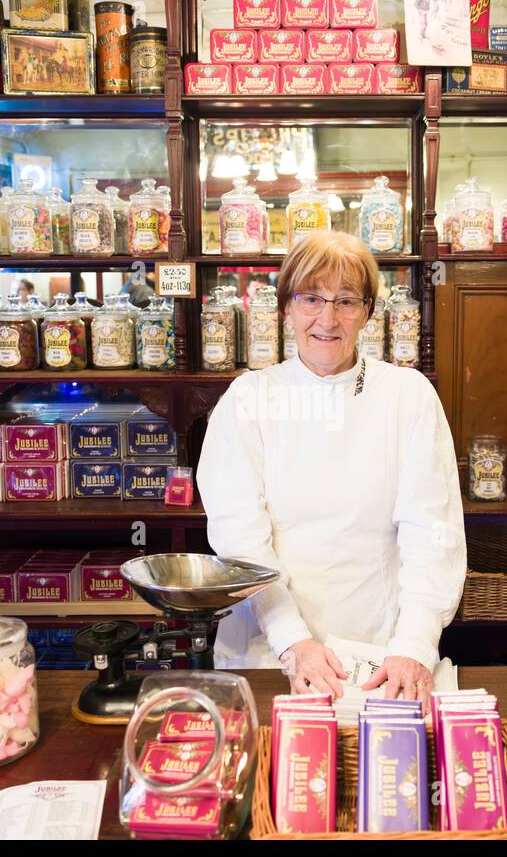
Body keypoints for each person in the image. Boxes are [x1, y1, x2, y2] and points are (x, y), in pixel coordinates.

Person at [196, 231, 466, 711]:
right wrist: (293, 642)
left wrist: (415, 645)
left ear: (367, 312)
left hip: (380, 655)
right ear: (285, 308)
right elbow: (240, 537)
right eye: (311, 298)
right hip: (266, 649)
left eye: (345, 301)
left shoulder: (408, 395)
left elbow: (433, 532)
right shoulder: (248, 399)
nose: (327, 318)